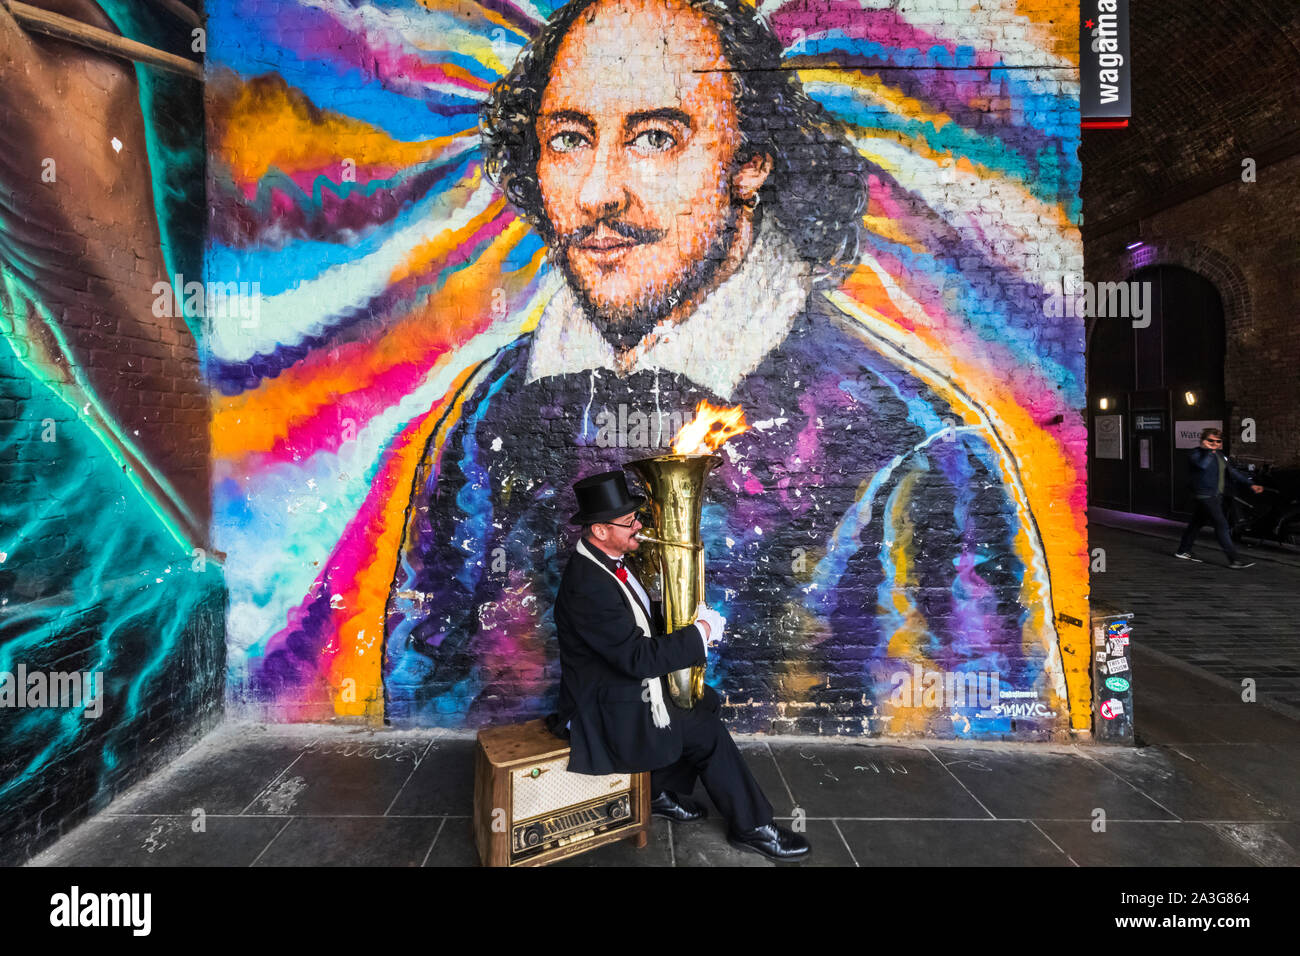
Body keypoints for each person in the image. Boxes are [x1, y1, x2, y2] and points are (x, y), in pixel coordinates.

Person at [380, 0, 1068, 735]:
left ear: (751, 164)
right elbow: (423, 682)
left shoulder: (919, 455)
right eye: (570, 139)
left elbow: (967, 744)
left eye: (654, 136)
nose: (597, 192)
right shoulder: (493, 410)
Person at [549, 470, 809, 860]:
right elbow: (637, 658)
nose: (639, 525)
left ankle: (656, 792)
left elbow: (629, 621)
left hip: (614, 687)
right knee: (703, 727)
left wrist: (685, 616)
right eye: (629, 521)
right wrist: (699, 634)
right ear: (600, 530)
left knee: (703, 702)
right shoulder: (588, 583)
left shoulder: (608, 562)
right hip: (598, 707)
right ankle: (753, 826)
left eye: (636, 517)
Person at [1175, 427, 1263, 568]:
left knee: (1196, 523)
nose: (1214, 443)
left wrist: (1251, 484)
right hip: (1204, 495)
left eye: (1217, 441)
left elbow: (1232, 472)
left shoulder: (1220, 456)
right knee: (1222, 525)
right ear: (1203, 440)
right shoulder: (1195, 454)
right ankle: (1234, 560)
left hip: (1216, 495)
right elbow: (1202, 466)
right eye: (1210, 440)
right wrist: (1209, 451)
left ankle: (1183, 550)